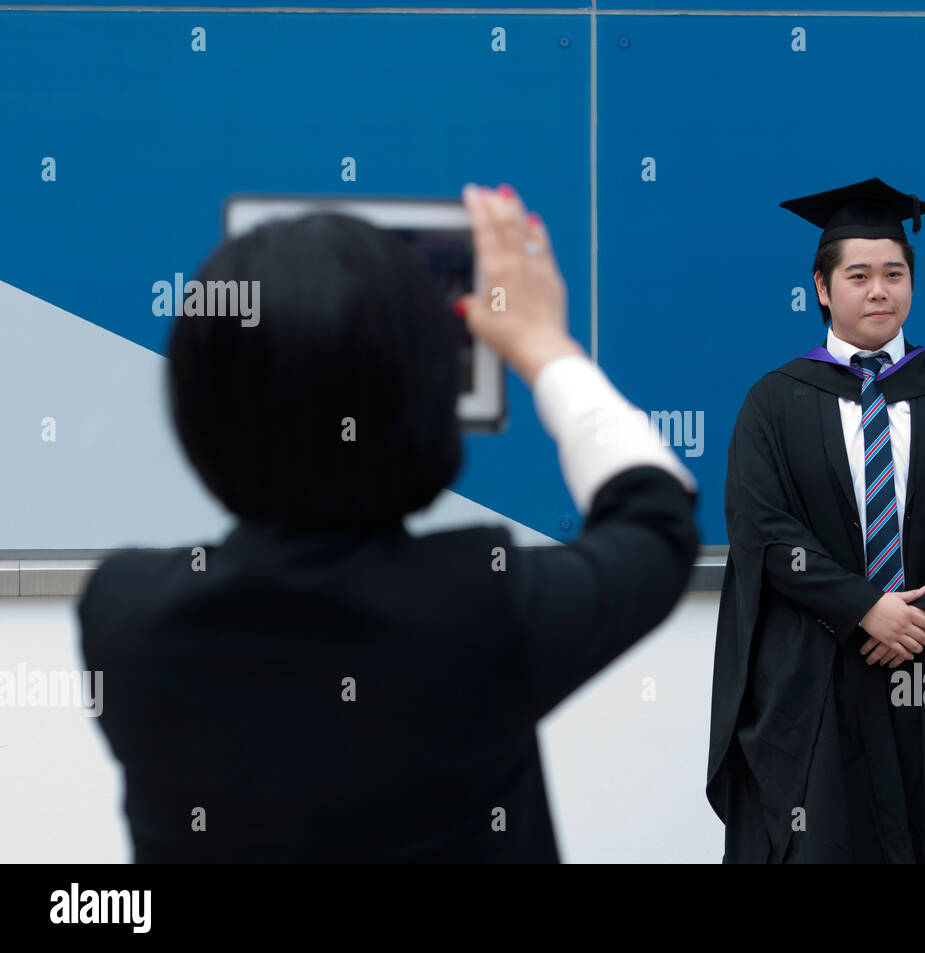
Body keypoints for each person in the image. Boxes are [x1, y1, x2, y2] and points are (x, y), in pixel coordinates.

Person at [77, 184, 699, 862]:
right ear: (430, 392)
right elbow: (656, 515)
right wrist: (544, 344)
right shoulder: (485, 610)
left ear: (198, 402)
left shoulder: (123, 616)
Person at [706, 176, 925, 863]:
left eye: (894, 273)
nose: (878, 290)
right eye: (858, 275)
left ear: (912, 282)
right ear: (822, 288)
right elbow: (762, 526)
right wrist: (863, 608)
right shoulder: (776, 400)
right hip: (820, 668)